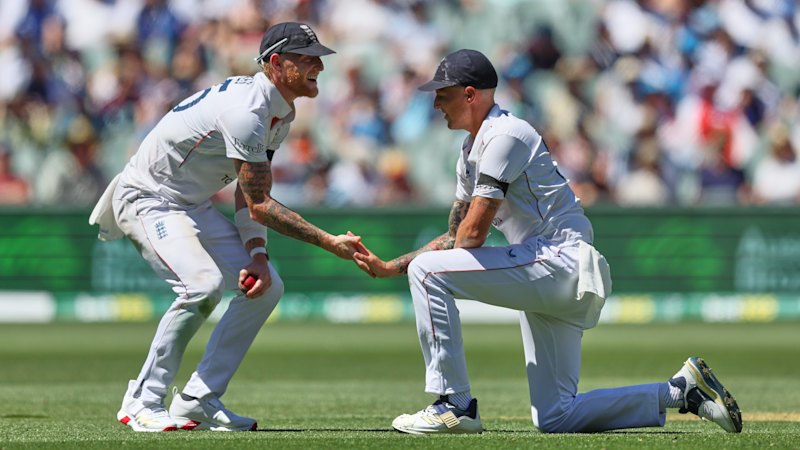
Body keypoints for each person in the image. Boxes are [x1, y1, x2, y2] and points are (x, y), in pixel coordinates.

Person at [353, 49, 742, 435]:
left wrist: (416, 267)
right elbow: (458, 233)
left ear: (470, 94)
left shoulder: (506, 133)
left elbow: (471, 236)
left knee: (427, 273)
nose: (436, 102)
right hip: (550, 268)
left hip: (559, 260)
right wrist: (393, 266)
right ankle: (679, 392)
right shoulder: (471, 148)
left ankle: (454, 403)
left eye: (443, 93)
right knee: (556, 416)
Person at [89, 22, 365, 432]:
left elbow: (249, 190)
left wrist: (257, 256)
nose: (317, 66)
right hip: (148, 196)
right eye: (306, 58)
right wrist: (329, 242)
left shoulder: (278, 110)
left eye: (318, 58)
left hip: (189, 202)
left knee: (268, 284)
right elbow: (260, 203)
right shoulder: (247, 111)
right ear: (275, 62)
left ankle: (198, 397)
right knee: (201, 286)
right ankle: (142, 400)